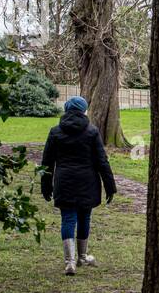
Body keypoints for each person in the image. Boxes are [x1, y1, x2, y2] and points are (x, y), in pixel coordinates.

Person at [40, 96, 117, 275]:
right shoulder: (91, 131)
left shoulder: (55, 132)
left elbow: (47, 162)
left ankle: (70, 262)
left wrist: (45, 185)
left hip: (64, 181)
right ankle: (82, 256)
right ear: (84, 110)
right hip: (87, 181)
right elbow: (102, 161)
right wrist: (110, 186)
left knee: (68, 219)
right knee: (84, 218)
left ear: (66, 110)